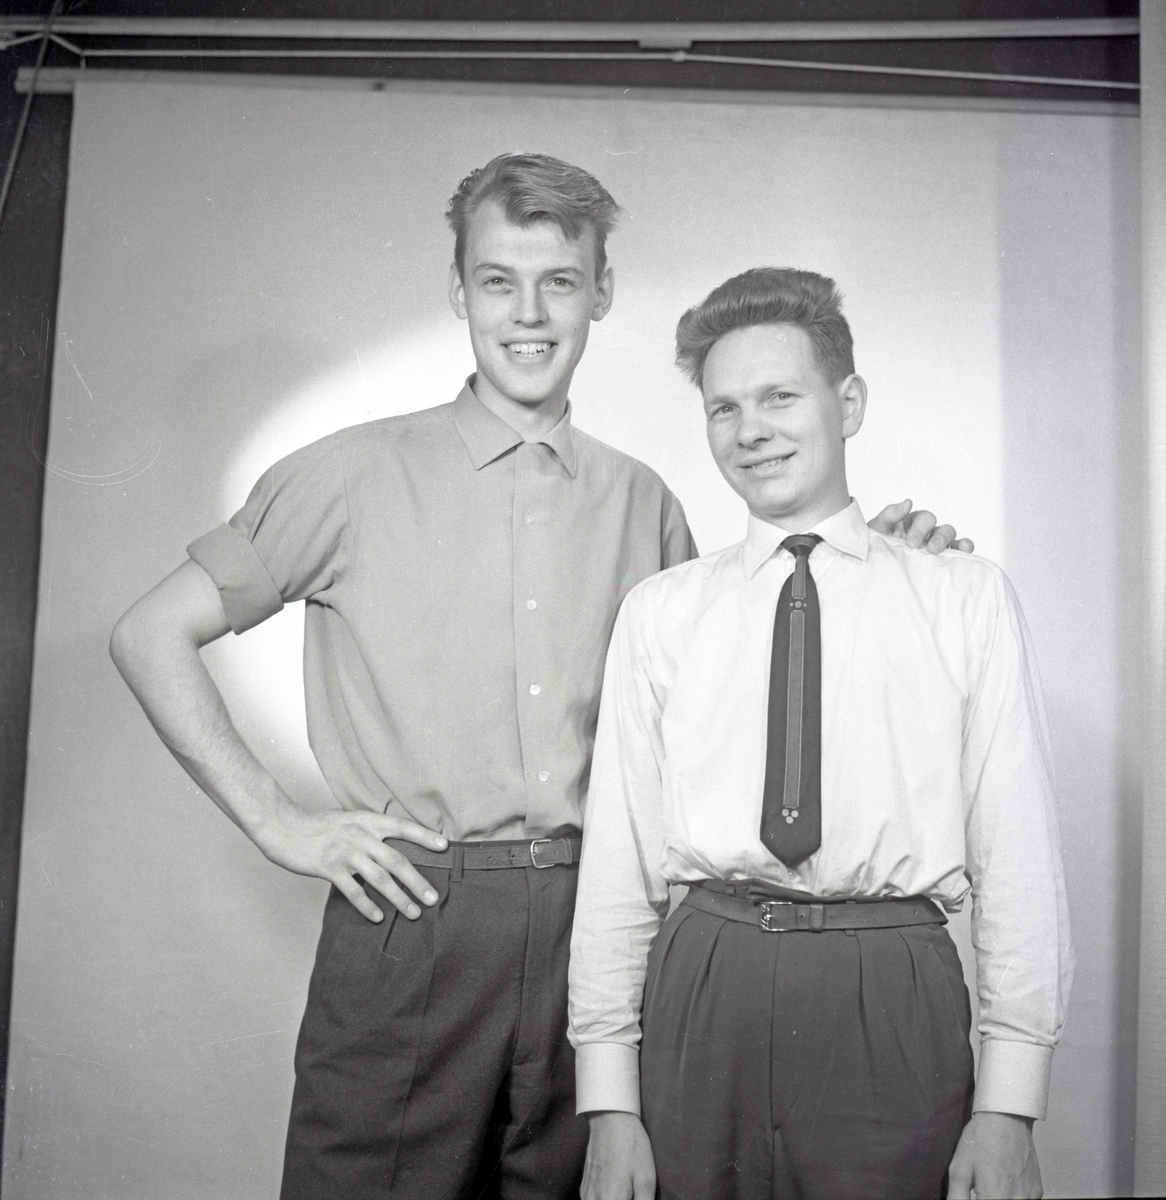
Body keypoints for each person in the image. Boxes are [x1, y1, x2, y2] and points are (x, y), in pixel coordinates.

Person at [110, 160, 969, 1200]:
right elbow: (150, 633)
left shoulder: (645, 502)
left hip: (595, 923)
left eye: (558, 281)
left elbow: (732, 694)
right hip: (415, 915)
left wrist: (866, 559)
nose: (527, 313)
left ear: (599, 293)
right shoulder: (347, 474)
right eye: (497, 280)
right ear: (458, 291)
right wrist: (279, 822)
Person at [569, 267, 1072, 1200]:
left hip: (890, 991)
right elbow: (618, 865)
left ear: (849, 405)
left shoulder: (961, 597)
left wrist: (1009, 1109)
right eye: (724, 408)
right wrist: (608, 1105)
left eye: (779, 397)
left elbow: (1020, 861)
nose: (750, 430)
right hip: (705, 980)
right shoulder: (662, 612)